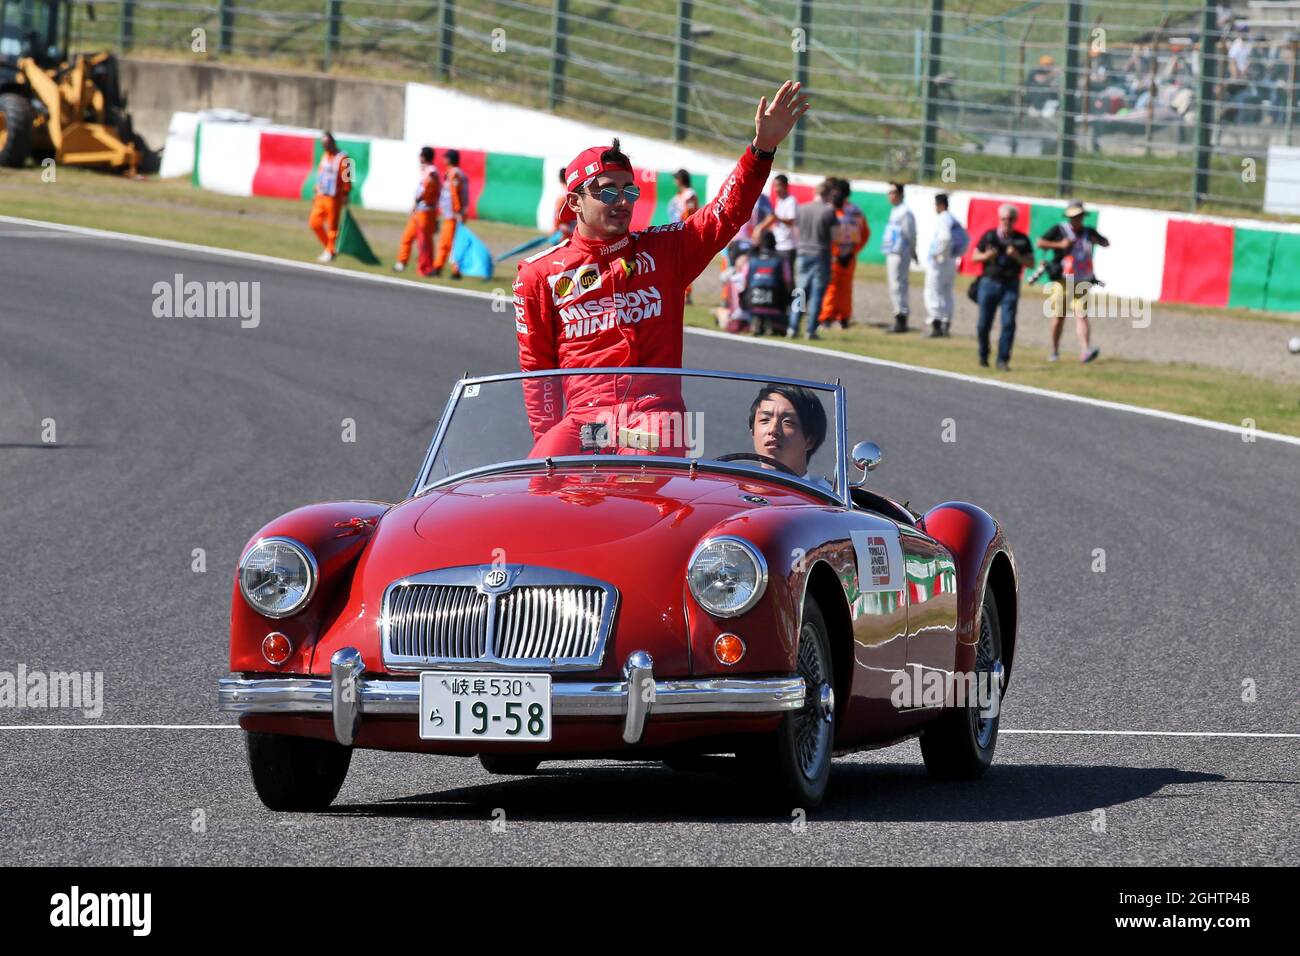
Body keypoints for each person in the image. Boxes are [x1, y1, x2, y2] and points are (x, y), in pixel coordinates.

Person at [513, 80, 809, 456]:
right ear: (574, 201)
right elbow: (537, 372)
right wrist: (548, 446)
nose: (622, 201)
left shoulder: (667, 250)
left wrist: (761, 150)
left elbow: (726, 212)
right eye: (607, 191)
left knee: (636, 494)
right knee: (541, 490)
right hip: (585, 423)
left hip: (657, 417)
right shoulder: (538, 274)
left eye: (629, 190)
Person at [1038, 199, 1108, 364]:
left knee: (1081, 315)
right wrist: (1060, 244)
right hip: (1062, 281)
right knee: (1059, 316)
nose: (1077, 219)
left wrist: (1098, 241)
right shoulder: (1059, 230)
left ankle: (1085, 350)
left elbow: (1105, 242)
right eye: (1074, 216)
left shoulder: (1088, 232)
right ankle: (1054, 350)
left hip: (1082, 280)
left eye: (1080, 216)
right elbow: (1040, 242)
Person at [970, 203, 1034, 370]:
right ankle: (983, 354)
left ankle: (1002, 360)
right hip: (989, 283)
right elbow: (974, 256)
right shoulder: (989, 236)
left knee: (1008, 323)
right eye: (1004, 219)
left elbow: (1031, 262)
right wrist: (987, 255)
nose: (1007, 222)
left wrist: (1017, 256)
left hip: (1010, 284)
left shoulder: (1022, 240)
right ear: (999, 219)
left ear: (1015, 220)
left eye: (1010, 219)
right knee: (983, 324)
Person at [748, 383, 830, 488]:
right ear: (753, 433)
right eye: (765, 419)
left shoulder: (829, 501)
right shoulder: (732, 490)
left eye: (788, 422)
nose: (773, 430)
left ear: (810, 441)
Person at [790, 178, 837, 340]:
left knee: (800, 292)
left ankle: (793, 326)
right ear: (828, 194)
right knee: (817, 294)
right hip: (820, 254)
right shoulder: (828, 212)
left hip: (803, 252)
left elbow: (795, 231)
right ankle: (810, 329)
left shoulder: (802, 209)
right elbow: (835, 235)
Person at [820, 178, 870, 329]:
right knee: (846, 289)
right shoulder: (857, 211)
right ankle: (843, 318)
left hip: (834, 256)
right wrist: (854, 251)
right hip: (850, 257)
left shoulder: (831, 209)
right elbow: (865, 233)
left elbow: (824, 232)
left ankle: (827, 317)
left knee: (831, 287)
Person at [924, 192, 968, 337]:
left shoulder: (943, 219)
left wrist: (939, 254)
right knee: (947, 292)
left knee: (933, 291)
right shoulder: (953, 219)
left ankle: (936, 324)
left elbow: (944, 238)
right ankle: (946, 322)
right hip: (951, 260)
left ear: (940, 205)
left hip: (941, 261)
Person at [308, 132, 353, 263]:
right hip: (321, 196)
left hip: (334, 197)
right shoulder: (324, 156)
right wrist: (316, 190)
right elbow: (321, 174)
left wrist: (346, 193)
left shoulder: (344, 157)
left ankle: (330, 250)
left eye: (327, 143)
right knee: (314, 223)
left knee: (332, 226)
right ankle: (330, 247)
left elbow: (348, 178)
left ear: (333, 142)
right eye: (323, 144)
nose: (325, 146)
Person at [394, 146, 440, 275]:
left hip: (426, 211)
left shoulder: (431, 172)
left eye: (421, 155)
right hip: (419, 210)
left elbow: (427, 190)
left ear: (424, 157)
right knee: (407, 236)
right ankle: (401, 262)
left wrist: (418, 200)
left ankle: (425, 268)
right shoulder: (425, 170)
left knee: (424, 241)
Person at [881, 181, 918, 333]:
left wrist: (913, 251)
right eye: (889, 193)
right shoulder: (895, 210)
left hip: (900, 253)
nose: (890, 196)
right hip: (893, 251)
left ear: (901, 194)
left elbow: (910, 233)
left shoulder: (905, 212)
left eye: (893, 192)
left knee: (898, 284)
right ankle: (898, 314)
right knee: (894, 284)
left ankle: (901, 317)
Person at [741, 230, 792, 336]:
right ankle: (772, 323)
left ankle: (757, 321)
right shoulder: (782, 260)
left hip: (752, 302)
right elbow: (788, 281)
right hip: (775, 303)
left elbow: (744, 279)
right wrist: (787, 296)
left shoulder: (752, 259)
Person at [431, 148, 469, 278]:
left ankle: (439, 268)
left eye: (446, 157)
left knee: (447, 243)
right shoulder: (453, 173)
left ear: (450, 159)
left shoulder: (454, 174)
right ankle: (454, 270)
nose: (443, 159)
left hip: (453, 215)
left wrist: (457, 210)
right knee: (452, 243)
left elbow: (454, 194)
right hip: (452, 214)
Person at [756, 173, 798, 277]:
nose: (776, 189)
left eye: (778, 185)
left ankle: (789, 293)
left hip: (788, 245)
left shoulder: (791, 201)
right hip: (778, 243)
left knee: (787, 276)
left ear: (785, 186)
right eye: (774, 186)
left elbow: (791, 221)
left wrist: (776, 217)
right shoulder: (780, 200)